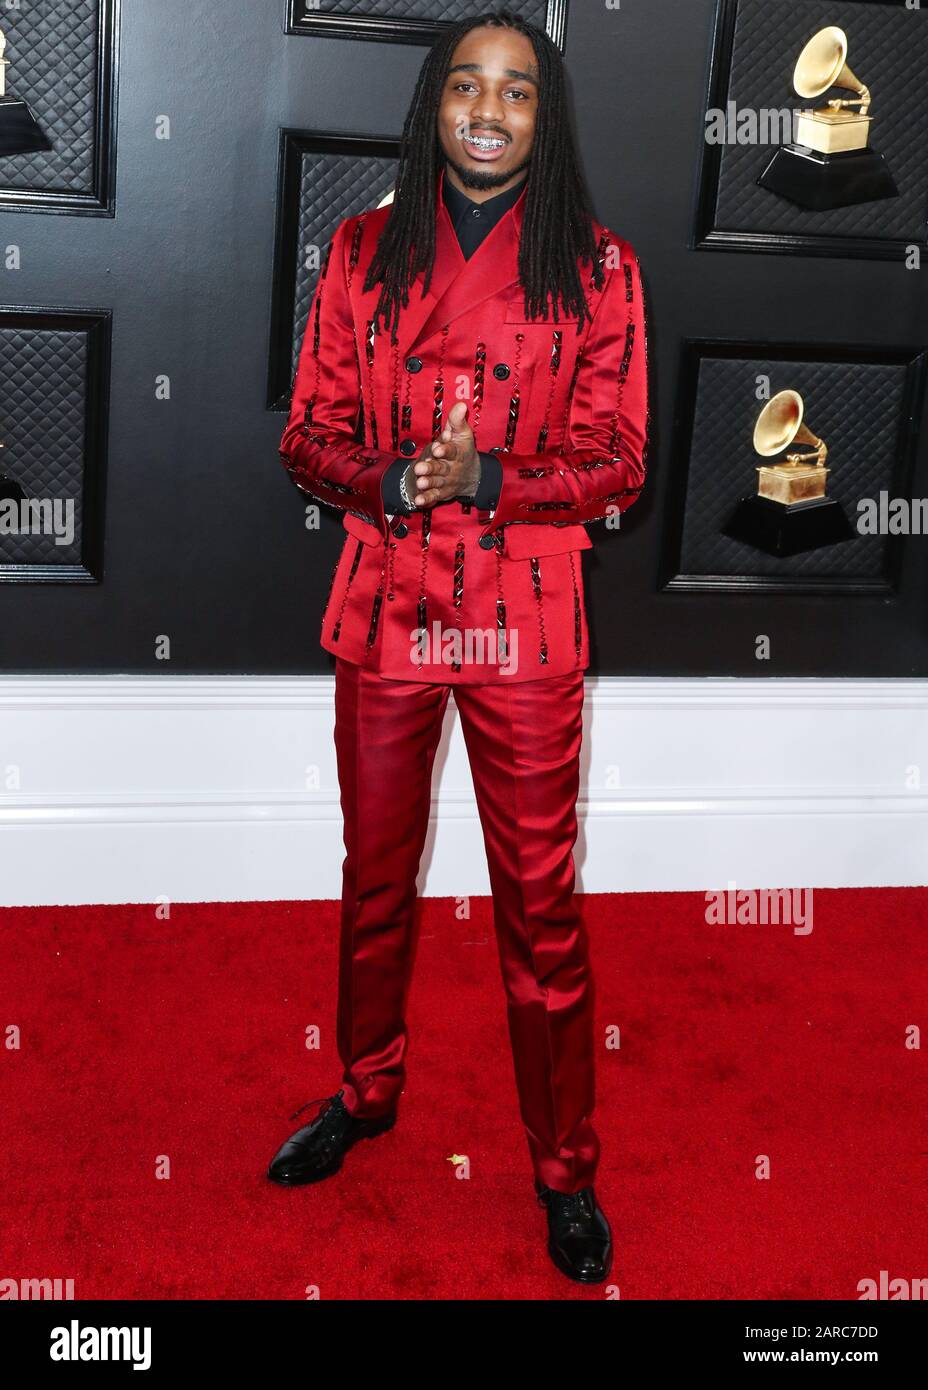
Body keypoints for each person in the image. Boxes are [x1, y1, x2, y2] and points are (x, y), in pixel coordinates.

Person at [269, 6, 649, 1285]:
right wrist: (384, 479)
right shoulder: (361, 246)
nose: (489, 108)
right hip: (384, 598)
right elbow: (306, 432)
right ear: (433, 101)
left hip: (525, 619)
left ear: (547, 118)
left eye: (519, 91)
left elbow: (621, 462)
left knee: (540, 909)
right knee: (374, 875)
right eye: (467, 85)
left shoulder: (599, 267)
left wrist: (490, 476)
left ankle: (563, 1169)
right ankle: (364, 1093)